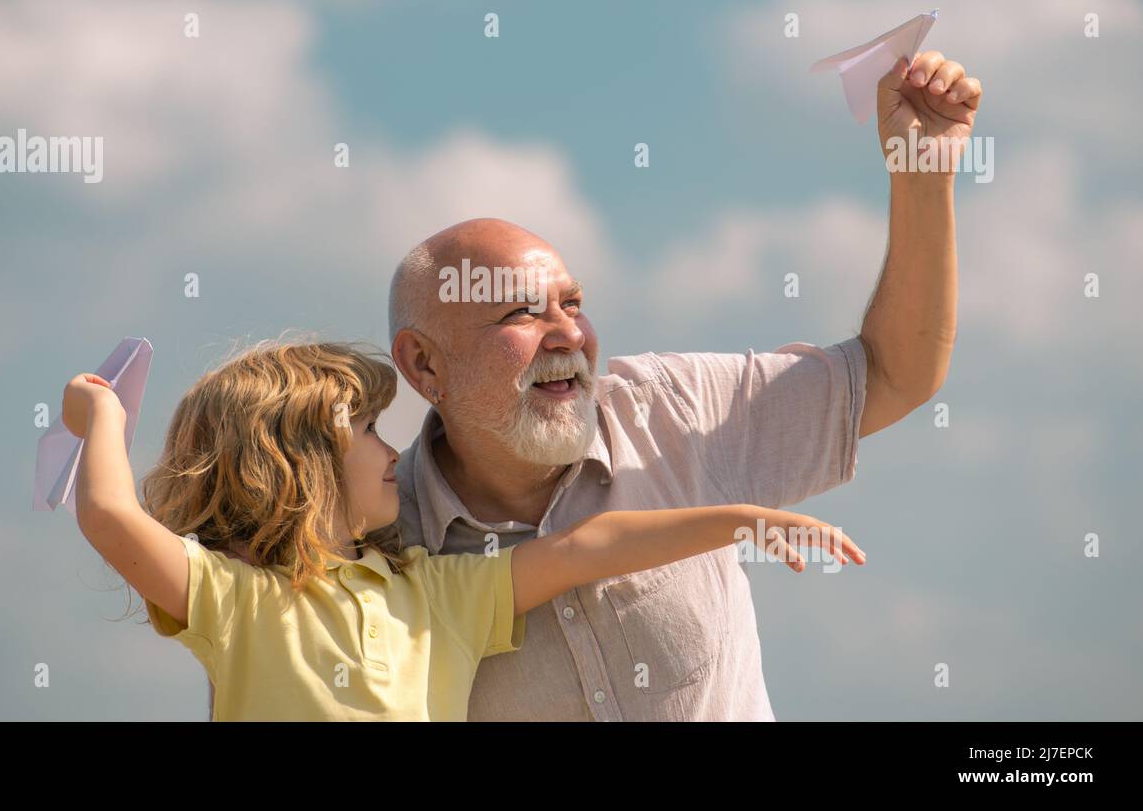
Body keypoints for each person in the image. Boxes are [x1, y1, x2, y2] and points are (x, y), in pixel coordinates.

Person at [385, 51, 979, 719]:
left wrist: (923, 175)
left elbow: (897, 374)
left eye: (573, 305)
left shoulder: (676, 407)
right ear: (423, 366)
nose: (569, 336)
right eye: (523, 311)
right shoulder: (370, 539)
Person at [60, 340, 864, 720]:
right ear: (296, 463)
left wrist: (739, 520)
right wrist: (101, 415)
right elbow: (107, 513)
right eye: (369, 430)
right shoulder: (234, 603)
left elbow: (589, 546)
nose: (393, 450)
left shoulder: (436, 594)